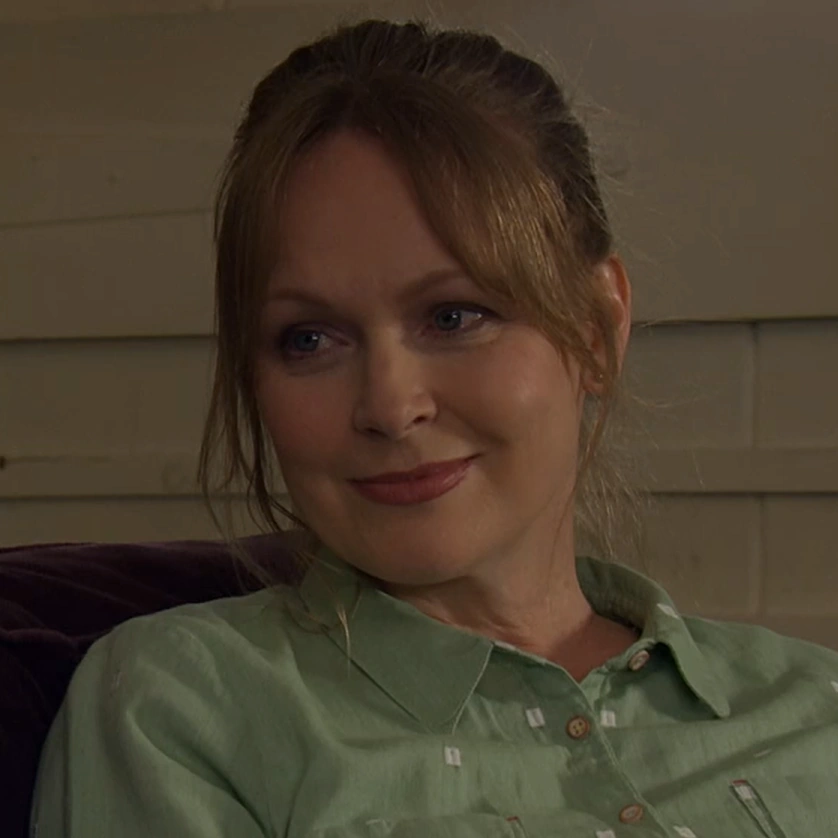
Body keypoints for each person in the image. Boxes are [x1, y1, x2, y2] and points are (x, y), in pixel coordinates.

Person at [30, 18, 838, 838]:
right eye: (309, 339)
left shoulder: (817, 706)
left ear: (597, 329)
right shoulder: (183, 709)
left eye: (454, 316)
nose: (389, 406)